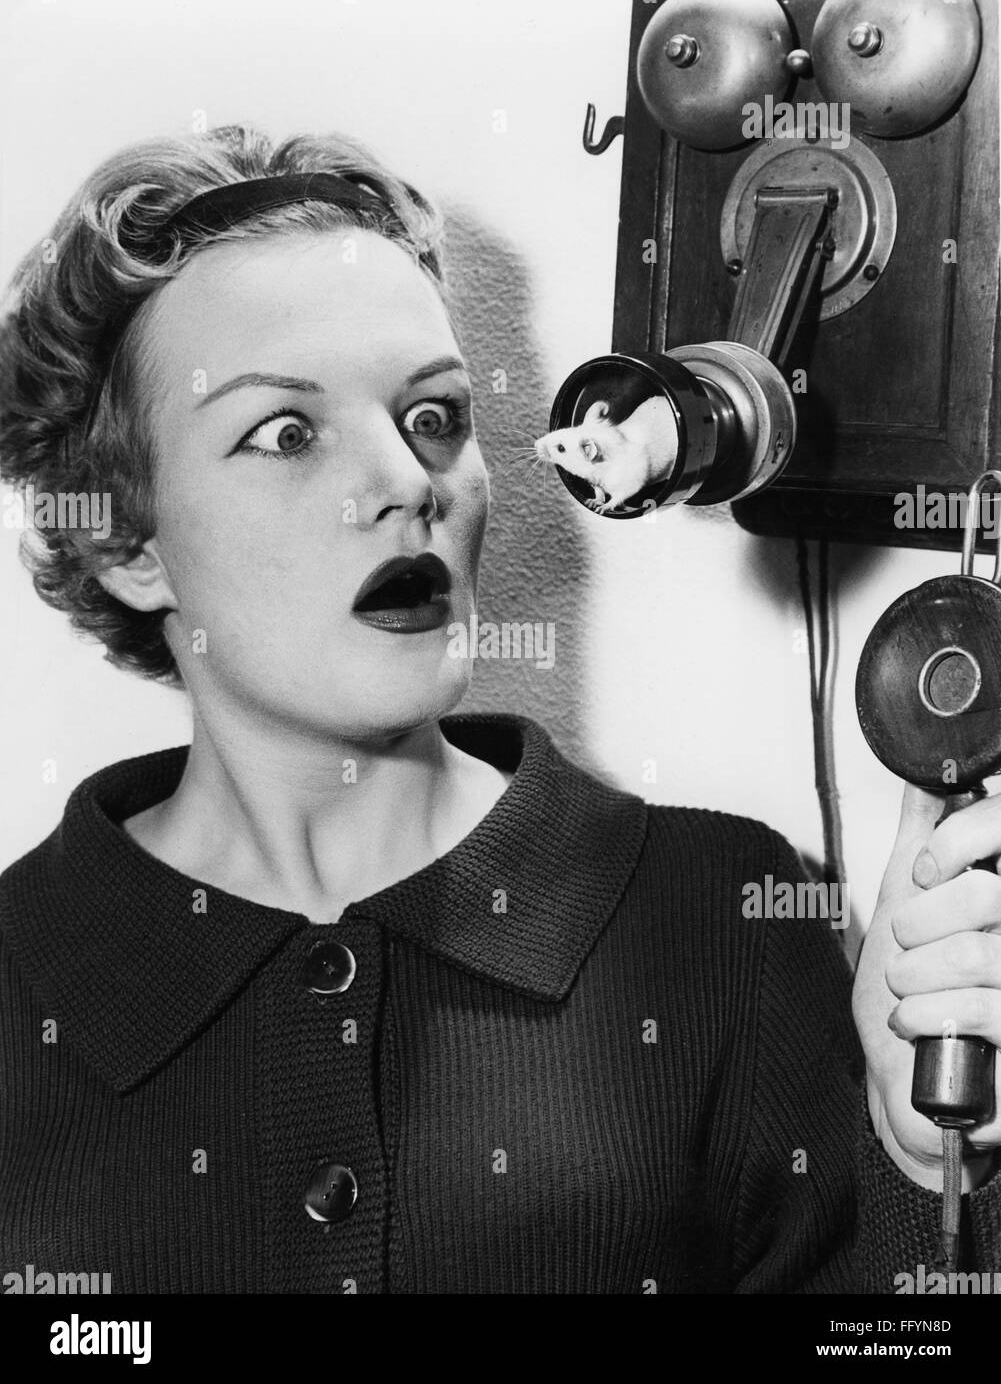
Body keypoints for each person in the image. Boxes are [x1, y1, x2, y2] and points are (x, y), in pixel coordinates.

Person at [0, 123, 998, 1295]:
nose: (402, 484)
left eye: (431, 417)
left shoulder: (714, 921)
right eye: (284, 433)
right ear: (126, 545)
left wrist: (917, 1164)